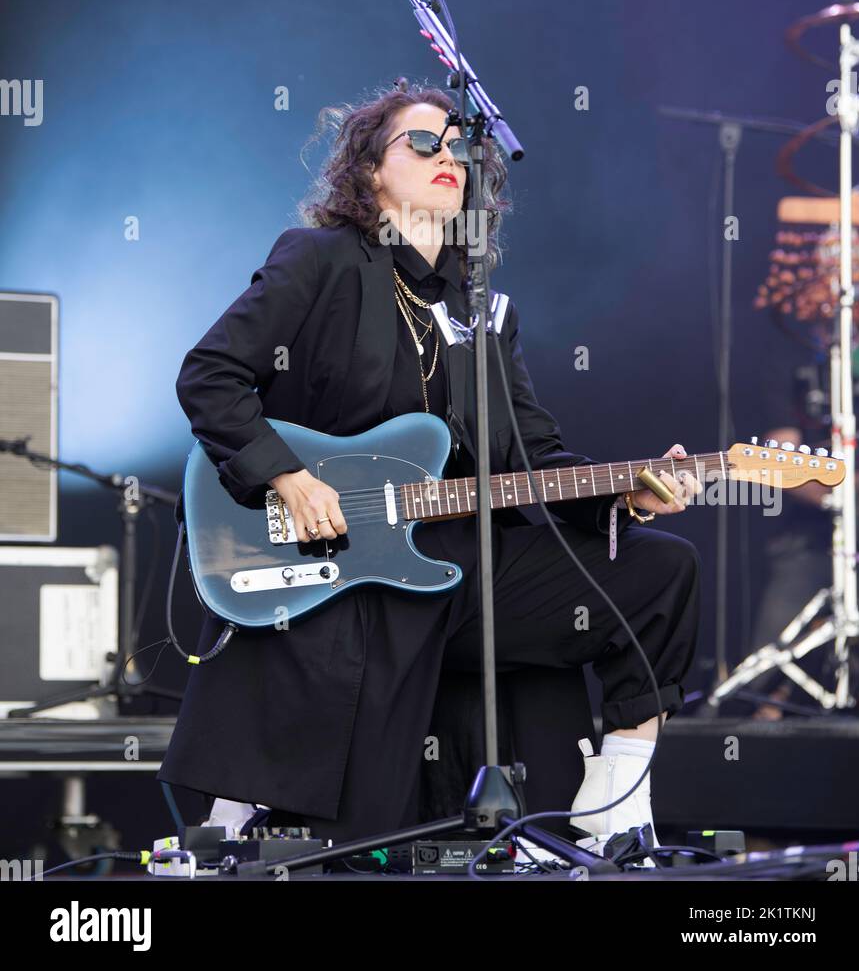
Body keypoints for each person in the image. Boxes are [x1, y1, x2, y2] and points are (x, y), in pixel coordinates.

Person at [157, 83, 701, 851]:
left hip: (454, 565)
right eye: (422, 143)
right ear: (371, 170)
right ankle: (248, 816)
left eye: (458, 147)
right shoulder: (321, 262)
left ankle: (616, 795)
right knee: (350, 845)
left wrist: (628, 496)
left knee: (660, 571)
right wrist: (288, 474)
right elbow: (209, 375)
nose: (448, 156)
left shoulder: (485, 311)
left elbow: (537, 457)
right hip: (336, 556)